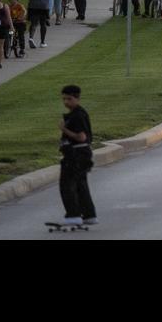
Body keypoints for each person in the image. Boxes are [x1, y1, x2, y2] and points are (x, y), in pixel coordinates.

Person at [57, 85, 97, 227]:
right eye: (64, 99)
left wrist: (64, 130)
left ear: (77, 98)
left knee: (67, 185)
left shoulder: (77, 115)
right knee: (81, 185)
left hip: (76, 154)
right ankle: (89, 215)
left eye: (69, 99)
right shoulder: (78, 113)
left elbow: (81, 137)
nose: (66, 102)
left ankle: (73, 215)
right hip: (82, 154)